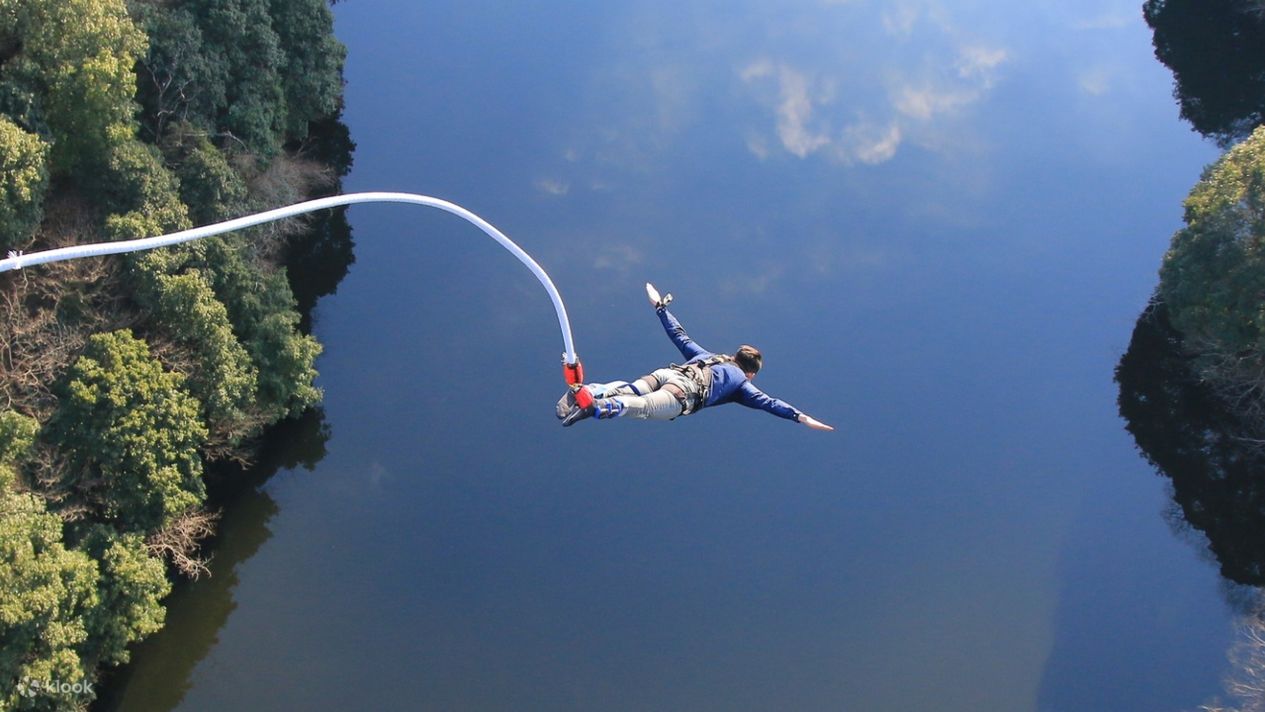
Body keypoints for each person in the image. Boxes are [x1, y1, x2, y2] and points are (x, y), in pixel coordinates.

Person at [558, 284, 834, 431]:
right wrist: (801, 417)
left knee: (632, 388)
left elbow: (680, 335)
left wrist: (659, 308)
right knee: (640, 406)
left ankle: (596, 391)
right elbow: (769, 403)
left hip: (669, 374)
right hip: (684, 393)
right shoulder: (741, 384)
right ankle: (598, 406)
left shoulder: (707, 357)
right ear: (750, 373)